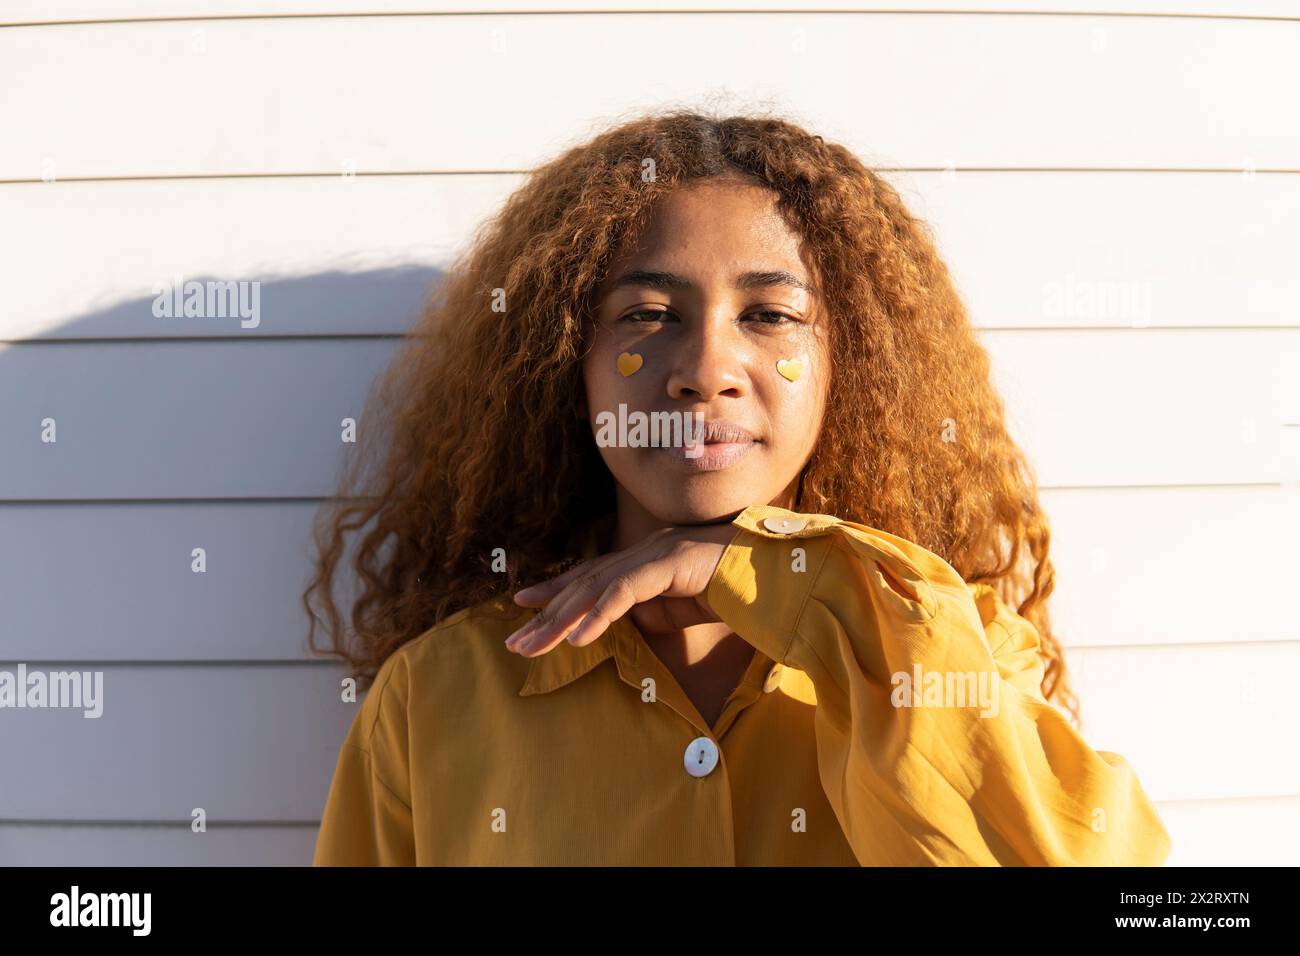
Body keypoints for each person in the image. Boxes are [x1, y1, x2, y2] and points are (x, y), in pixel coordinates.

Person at [304, 109, 1171, 866]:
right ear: (566, 363)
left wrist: (797, 583)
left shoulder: (951, 655)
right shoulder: (436, 700)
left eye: (770, 315)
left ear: (851, 368)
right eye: (647, 314)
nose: (706, 369)